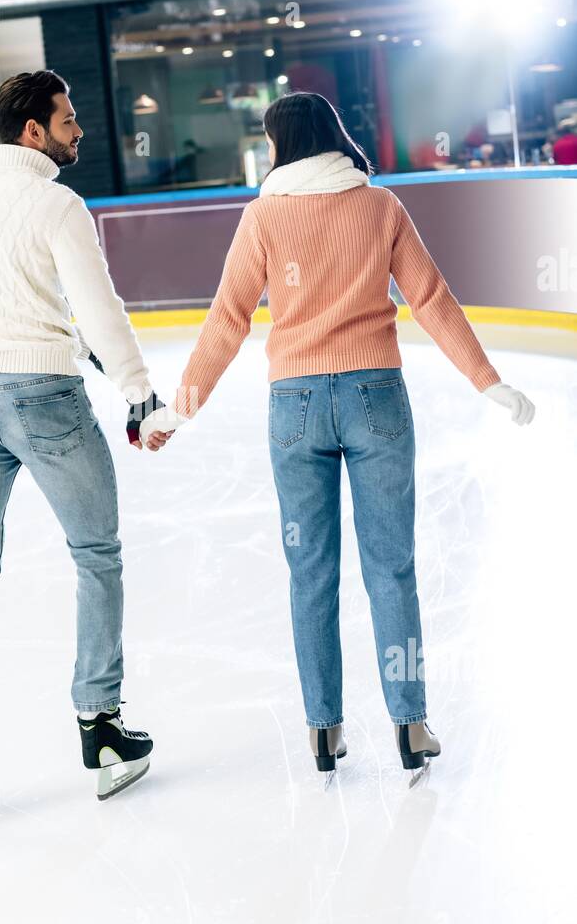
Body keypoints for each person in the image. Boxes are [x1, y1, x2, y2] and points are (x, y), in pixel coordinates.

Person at [140, 92, 535, 783]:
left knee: (309, 574)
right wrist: (486, 381)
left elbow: (226, 320)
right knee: (392, 567)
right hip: (375, 399)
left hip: (293, 409)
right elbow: (431, 299)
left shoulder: (263, 215)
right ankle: (409, 724)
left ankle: (324, 732)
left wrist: (181, 408)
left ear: (280, 145)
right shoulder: (378, 206)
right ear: (332, 136)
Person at [0, 70, 157, 824]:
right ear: (32, 131)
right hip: (43, 398)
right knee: (96, 555)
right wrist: (134, 389)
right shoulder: (58, 203)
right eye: (65, 119)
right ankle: (101, 729)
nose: (77, 129)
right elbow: (96, 306)